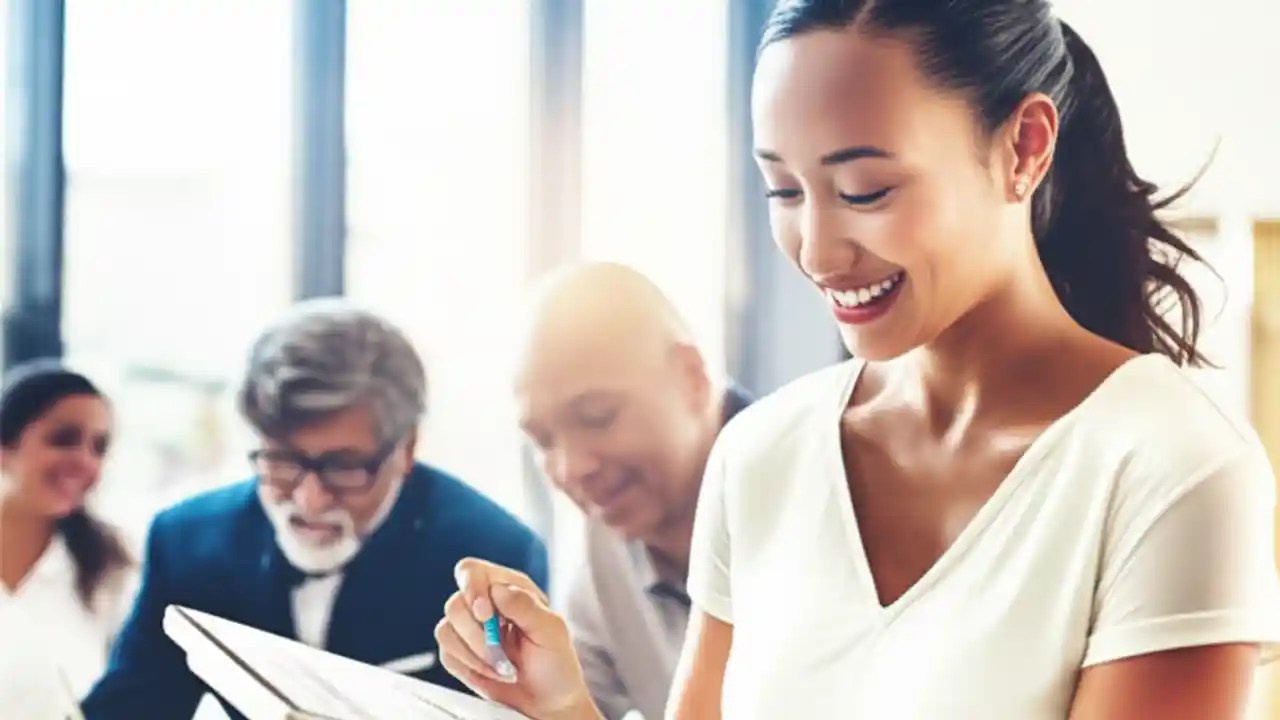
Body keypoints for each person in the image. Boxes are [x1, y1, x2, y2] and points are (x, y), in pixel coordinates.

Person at [436, 1, 1280, 718]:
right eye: (784, 191)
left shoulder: (1173, 464)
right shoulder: (761, 454)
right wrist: (562, 708)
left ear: (1023, 146)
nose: (817, 251)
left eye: (865, 190)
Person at [82, 299, 549, 719]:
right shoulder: (187, 541)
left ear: (406, 449)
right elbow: (128, 708)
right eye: (282, 461)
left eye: (343, 467)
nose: (309, 499)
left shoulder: (492, 553)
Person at [505, 262, 749, 719]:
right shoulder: (602, 550)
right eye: (542, 441)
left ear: (692, 376)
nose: (572, 468)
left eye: (598, 416)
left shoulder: (825, 494)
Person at [0, 361, 133, 719]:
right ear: (5, 445)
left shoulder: (113, 569)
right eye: (64, 439)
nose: (85, 462)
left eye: (99, 447)